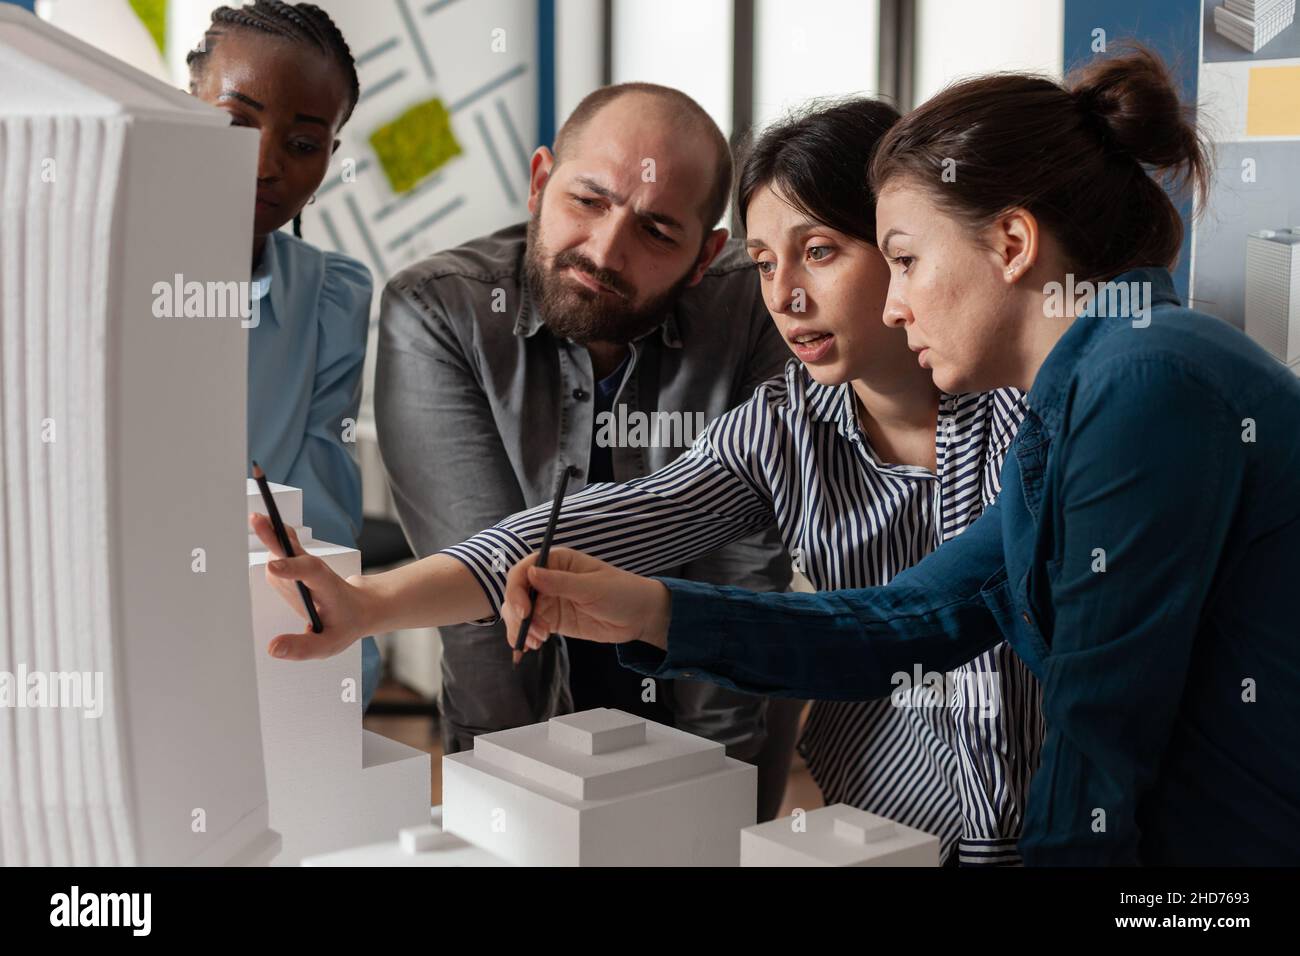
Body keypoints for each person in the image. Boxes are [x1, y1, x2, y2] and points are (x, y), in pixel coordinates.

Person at [497, 47, 1300, 865]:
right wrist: (652, 610)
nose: (894, 301)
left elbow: (1098, 741)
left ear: (1014, 242)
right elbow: (915, 619)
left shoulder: (1142, 382)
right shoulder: (1100, 387)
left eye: (907, 260)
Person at [249, 98, 1042, 861]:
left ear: (904, 251)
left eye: (822, 251)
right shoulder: (782, 425)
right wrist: (369, 604)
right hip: (881, 825)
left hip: (1059, 830)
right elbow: (598, 524)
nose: (786, 295)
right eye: (765, 262)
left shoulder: (1035, 415)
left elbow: (901, 622)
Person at [370, 82, 802, 820]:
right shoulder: (441, 311)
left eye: (657, 232)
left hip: (700, 693)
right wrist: (508, 819)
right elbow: (486, 607)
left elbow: (743, 578)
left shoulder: (749, 313)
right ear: (541, 183)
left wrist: (721, 812)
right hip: (523, 712)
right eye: (588, 201)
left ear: (706, 256)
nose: (605, 251)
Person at [188, 1, 381, 708]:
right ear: (186, 107)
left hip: (254, 649)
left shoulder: (328, 301)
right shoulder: (80, 266)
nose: (263, 165)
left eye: (302, 145)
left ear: (331, 155)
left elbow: (315, 526)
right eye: (236, 124)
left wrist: (333, 676)